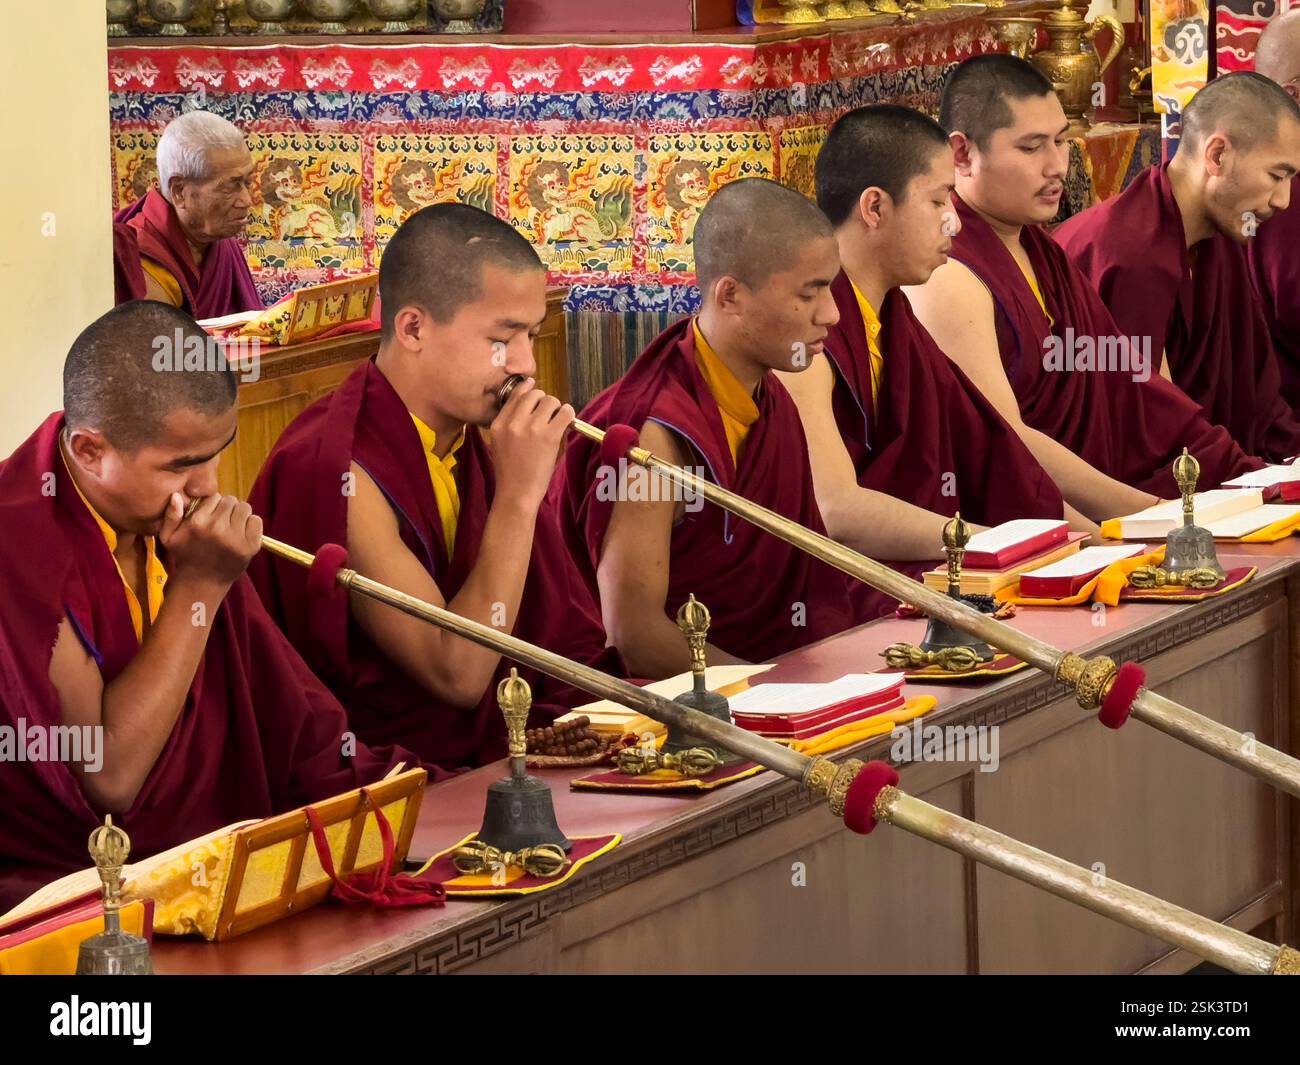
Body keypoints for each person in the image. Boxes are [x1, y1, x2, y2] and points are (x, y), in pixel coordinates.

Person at [0, 302, 414, 913]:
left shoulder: (167, 522)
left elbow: (285, 708)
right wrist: (197, 587)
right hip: (73, 898)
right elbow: (108, 780)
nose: (208, 488)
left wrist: (368, 792)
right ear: (89, 451)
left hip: (218, 861)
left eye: (215, 453)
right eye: (182, 465)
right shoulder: (23, 548)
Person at [249, 204, 621, 771]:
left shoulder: (470, 441)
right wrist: (521, 497)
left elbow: (567, 644)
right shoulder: (333, 469)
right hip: (397, 786)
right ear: (414, 328)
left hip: (507, 743)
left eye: (532, 335)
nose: (525, 365)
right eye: (503, 338)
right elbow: (458, 674)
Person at [549, 179, 883, 680]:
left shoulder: (769, 397)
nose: (832, 314)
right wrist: (768, 688)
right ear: (730, 295)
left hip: (765, 672)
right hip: (674, 700)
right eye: (809, 293)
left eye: (831, 289)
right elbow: (633, 635)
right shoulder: (653, 433)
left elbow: (807, 577)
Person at [907, 55, 1262, 511]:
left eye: (1061, 140)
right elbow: (1008, 446)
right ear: (962, 154)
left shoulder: (1041, 250)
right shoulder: (946, 273)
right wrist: (1149, 517)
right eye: (1032, 147)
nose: (1057, 165)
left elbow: (1132, 387)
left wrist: (1240, 473)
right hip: (1026, 524)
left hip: (1109, 503)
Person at [1056, 73, 1300, 462]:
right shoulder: (1129, 256)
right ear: (1217, 155)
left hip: (1217, 468)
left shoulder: (1219, 243)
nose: (1285, 200)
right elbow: (1145, 430)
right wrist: (1245, 474)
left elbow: (1261, 406)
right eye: (1276, 175)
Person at [113, 111, 262, 317]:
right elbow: (161, 346)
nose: (247, 201)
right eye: (230, 187)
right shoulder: (141, 260)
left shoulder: (219, 243)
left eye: (247, 182)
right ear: (179, 191)